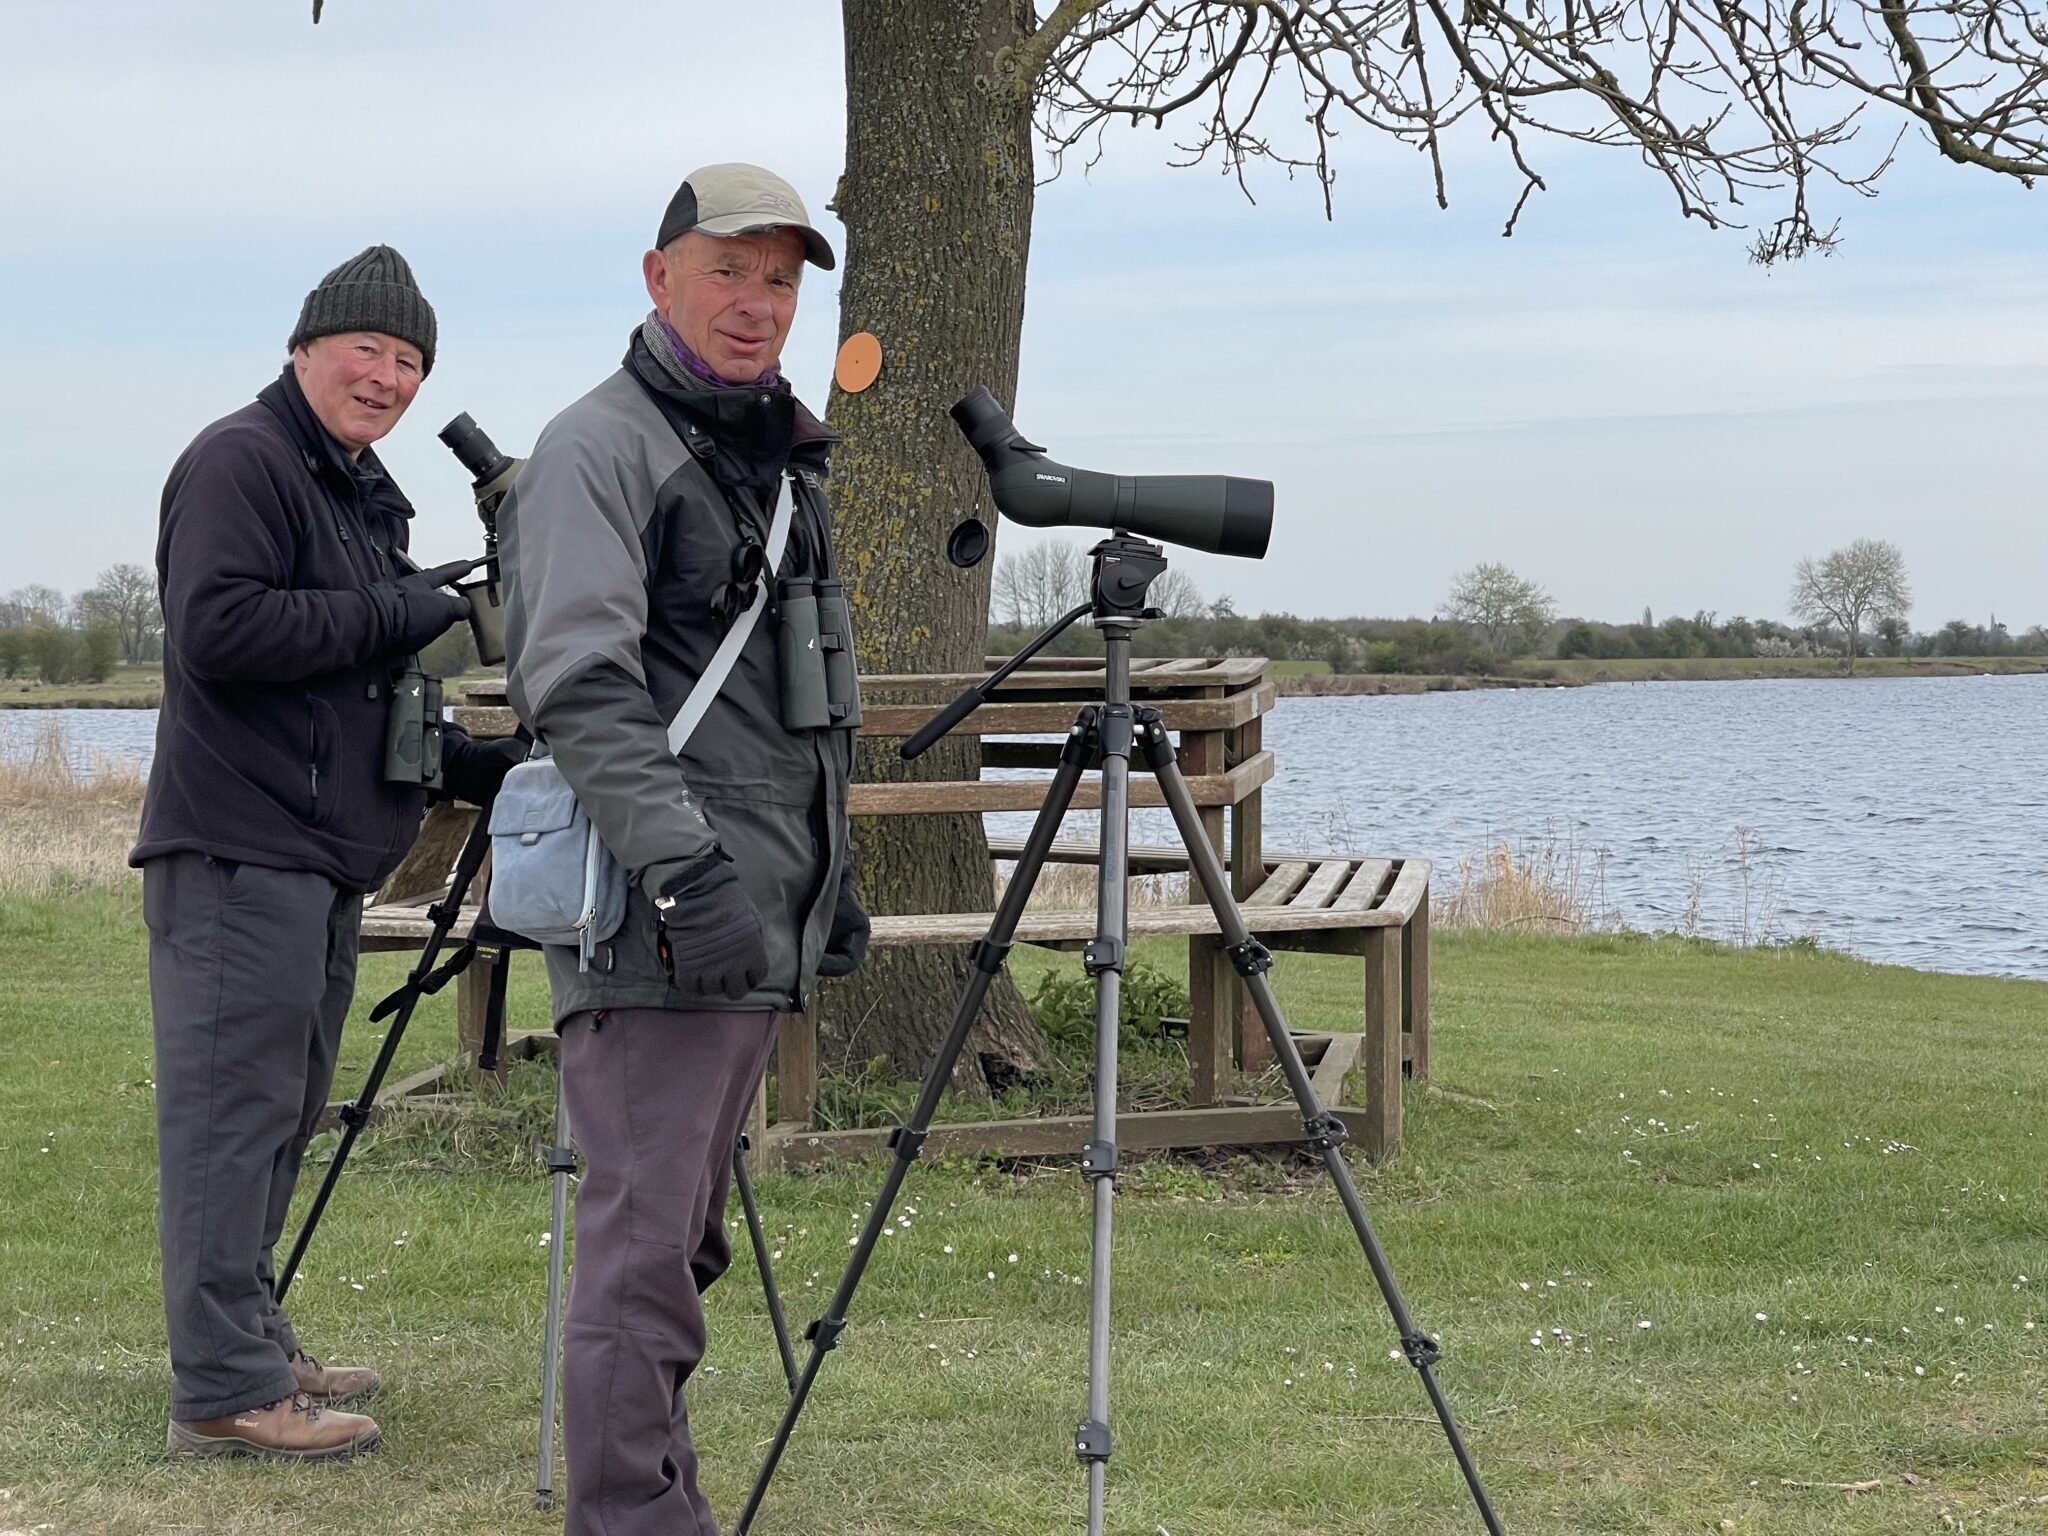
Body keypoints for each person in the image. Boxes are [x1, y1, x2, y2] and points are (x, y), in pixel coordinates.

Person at [500, 163, 869, 1535]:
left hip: (748, 913)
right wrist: (687, 872)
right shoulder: (603, 446)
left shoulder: (770, 452)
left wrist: (829, 886)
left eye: (781, 280)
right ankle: (633, 1519)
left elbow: (796, 708)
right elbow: (582, 687)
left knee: (681, 1239)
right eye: (729, 271)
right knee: (644, 1245)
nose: (757, 303)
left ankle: (656, 1493)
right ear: (660, 279)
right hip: (662, 917)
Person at [132, 246, 523, 1460]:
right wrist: (411, 607)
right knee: (230, 1118)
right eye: (370, 350)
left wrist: (474, 766)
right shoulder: (240, 461)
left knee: (283, 1108)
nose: (389, 377)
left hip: (315, 858)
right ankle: (223, 1389)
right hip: (239, 847)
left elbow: (364, 687)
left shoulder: (360, 490)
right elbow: (222, 628)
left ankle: (250, 1341)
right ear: (307, 347)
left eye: (410, 361)